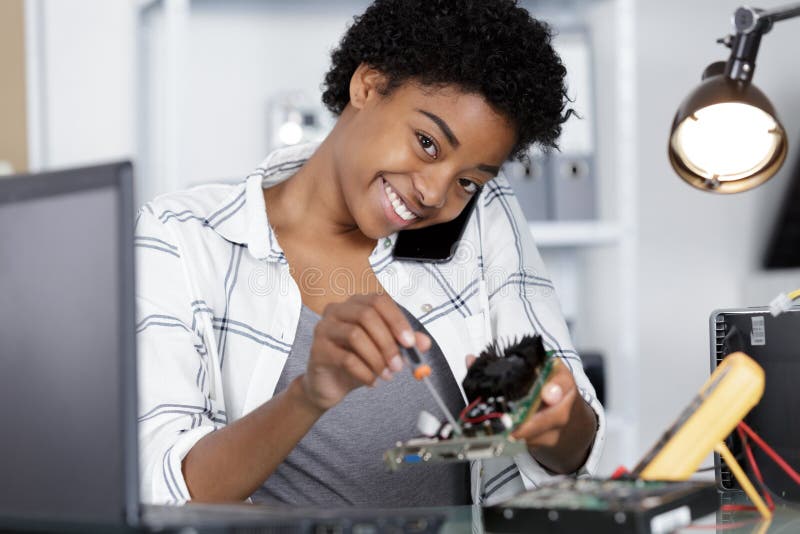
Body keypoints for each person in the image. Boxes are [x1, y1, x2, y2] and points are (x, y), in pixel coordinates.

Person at [136, 0, 605, 507]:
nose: (434, 193)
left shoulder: (483, 218)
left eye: (467, 181)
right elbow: (167, 493)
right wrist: (309, 394)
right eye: (427, 143)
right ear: (367, 85)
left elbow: (576, 454)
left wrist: (555, 420)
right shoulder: (182, 239)